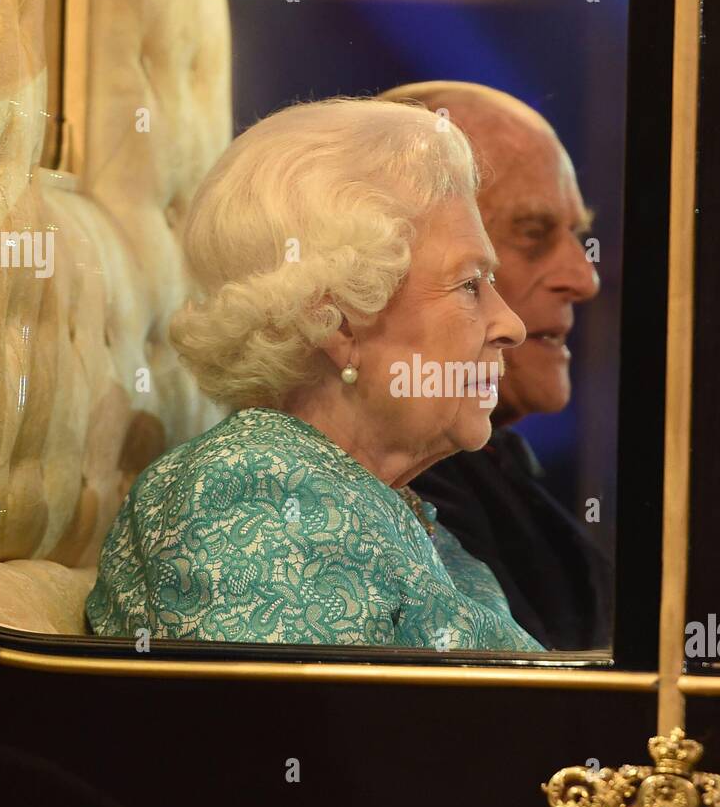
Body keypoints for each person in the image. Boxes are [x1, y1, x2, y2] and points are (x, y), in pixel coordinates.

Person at [85, 97, 544, 653]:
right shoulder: (256, 496)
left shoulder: (382, 501)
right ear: (338, 324)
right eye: (469, 283)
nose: (512, 324)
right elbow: (298, 735)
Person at [380, 81, 612, 651]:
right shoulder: (336, 499)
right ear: (383, 264)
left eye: (577, 235)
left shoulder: (492, 465)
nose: (584, 279)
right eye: (533, 234)